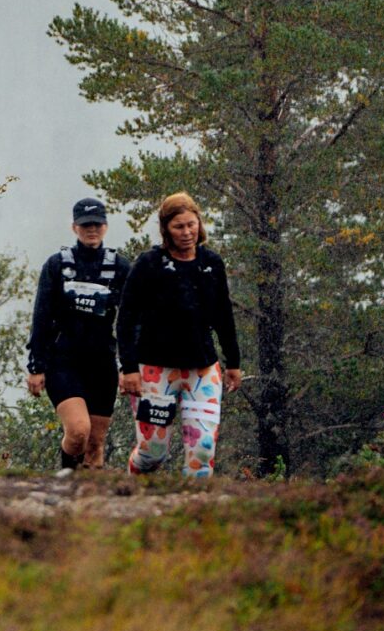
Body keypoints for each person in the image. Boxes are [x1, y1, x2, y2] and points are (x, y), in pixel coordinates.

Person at [115, 192, 242, 477]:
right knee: (153, 451)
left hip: (202, 369)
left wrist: (233, 362)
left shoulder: (212, 263)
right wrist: (129, 368)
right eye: (178, 227)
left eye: (191, 225)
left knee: (203, 450)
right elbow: (126, 318)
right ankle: (133, 489)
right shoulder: (149, 263)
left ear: (199, 224)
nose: (187, 233)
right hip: (155, 370)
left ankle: (192, 515)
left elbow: (224, 315)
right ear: (166, 230)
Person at [25, 196, 129, 470]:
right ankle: (66, 479)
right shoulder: (56, 265)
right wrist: (36, 365)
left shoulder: (120, 267)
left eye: (96, 224)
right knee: (78, 432)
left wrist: (130, 367)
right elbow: (41, 315)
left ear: (105, 226)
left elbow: (132, 320)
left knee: (95, 442)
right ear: (75, 228)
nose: (91, 230)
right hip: (63, 361)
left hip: (102, 363)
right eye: (85, 225)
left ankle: (89, 503)